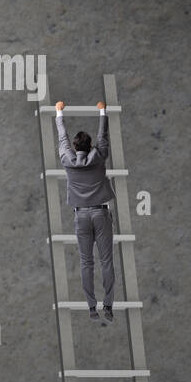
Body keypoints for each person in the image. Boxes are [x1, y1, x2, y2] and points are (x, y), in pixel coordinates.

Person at [56, 100, 115, 323]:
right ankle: (108, 305)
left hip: (81, 216)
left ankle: (92, 307)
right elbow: (104, 135)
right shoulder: (99, 156)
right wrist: (102, 110)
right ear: (91, 146)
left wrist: (58, 113)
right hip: (101, 214)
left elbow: (62, 136)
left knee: (86, 262)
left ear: (74, 146)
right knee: (107, 261)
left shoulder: (67, 160)